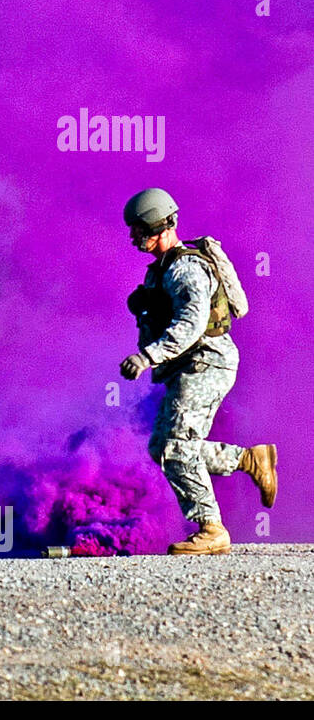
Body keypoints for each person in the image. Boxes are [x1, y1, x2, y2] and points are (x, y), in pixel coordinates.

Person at [119, 189, 276, 554]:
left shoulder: (186, 269)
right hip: (191, 364)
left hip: (207, 362)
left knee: (176, 447)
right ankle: (250, 459)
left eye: (139, 228)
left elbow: (192, 324)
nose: (133, 236)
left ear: (159, 225)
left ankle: (212, 529)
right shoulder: (162, 270)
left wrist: (147, 357)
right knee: (163, 446)